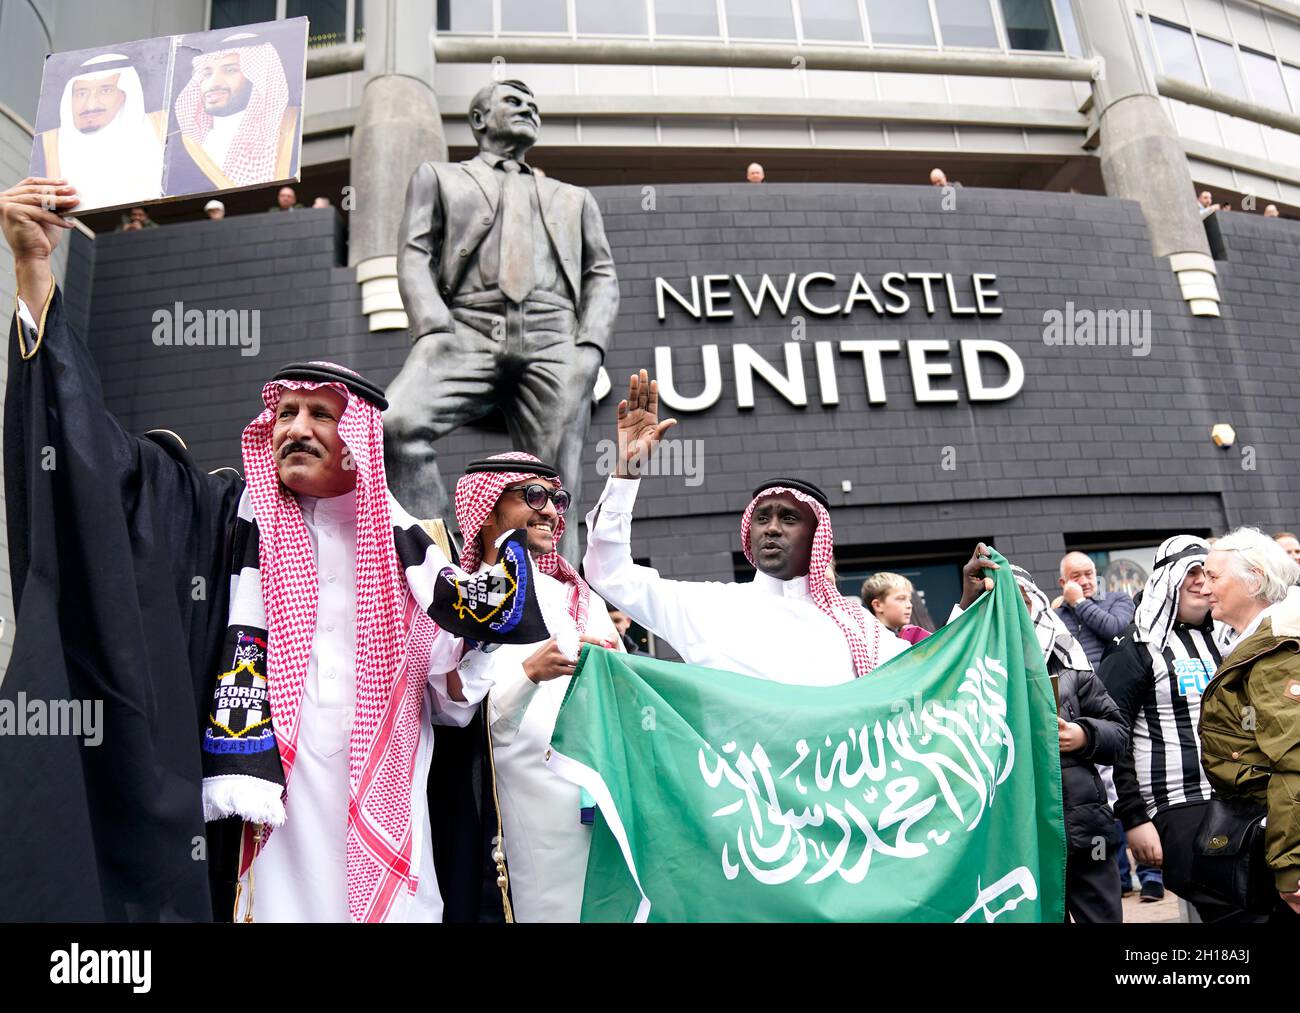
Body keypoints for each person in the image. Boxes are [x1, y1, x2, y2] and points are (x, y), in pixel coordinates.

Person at [0, 177, 549, 923]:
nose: (295, 426)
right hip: (258, 830)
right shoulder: (225, 521)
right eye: (285, 412)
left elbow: (452, 710)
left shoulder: (417, 553)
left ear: (358, 438)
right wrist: (35, 275)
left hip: (387, 829)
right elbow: (97, 467)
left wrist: (480, 645)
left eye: (320, 415)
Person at [386, 79, 619, 560]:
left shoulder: (574, 198)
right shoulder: (439, 176)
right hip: (468, 327)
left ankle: (554, 610)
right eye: (514, 102)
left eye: (534, 104)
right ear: (478, 120)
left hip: (554, 337)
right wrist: (433, 328)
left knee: (550, 484)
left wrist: (589, 350)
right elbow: (413, 254)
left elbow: (603, 276)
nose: (528, 109)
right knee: (393, 425)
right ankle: (441, 565)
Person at [583, 370, 908, 684]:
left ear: (817, 538)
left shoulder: (860, 627)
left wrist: (962, 610)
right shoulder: (710, 607)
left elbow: (927, 677)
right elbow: (610, 574)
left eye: (789, 519)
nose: (772, 529)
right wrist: (627, 471)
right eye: (762, 518)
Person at [450, 453, 621, 922]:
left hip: (600, 804)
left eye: (556, 498)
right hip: (520, 813)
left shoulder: (580, 598)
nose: (550, 510)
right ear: (486, 510)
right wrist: (531, 672)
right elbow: (465, 722)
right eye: (533, 496)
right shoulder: (459, 599)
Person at [1099, 536, 1258, 921]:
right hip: (1178, 802)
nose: (1204, 582)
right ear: (1167, 582)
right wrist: (1134, 819)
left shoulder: (1230, 639)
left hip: (1241, 796)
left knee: (1260, 905)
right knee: (1229, 909)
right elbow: (1111, 735)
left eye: (1211, 573)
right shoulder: (1136, 645)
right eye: (1192, 573)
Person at [1200, 527, 1300, 921]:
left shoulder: (1275, 648)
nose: (1204, 587)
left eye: (1214, 576)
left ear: (1254, 578)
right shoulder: (1256, 641)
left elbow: (1293, 759)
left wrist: (1292, 868)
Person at [1018, 565, 1127, 923]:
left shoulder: (1072, 666)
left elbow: (1118, 734)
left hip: (1085, 835)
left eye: (1022, 602)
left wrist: (1083, 735)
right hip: (1022, 844)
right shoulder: (977, 677)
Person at [31, 52, 164, 210]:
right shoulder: (48, 143)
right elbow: (49, 210)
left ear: (124, 94)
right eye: (82, 93)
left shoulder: (156, 132)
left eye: (105, 90)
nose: (91, 105)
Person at [170, 35, 300, 191]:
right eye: (206, 73)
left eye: (230, 70)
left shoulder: (289, 132)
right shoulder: (188, 145)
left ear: (257, 76)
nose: (214, 83)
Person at [1055, 551, 1135, 668]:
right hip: (1079, 684)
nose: (1084, 582)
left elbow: (1117, 630)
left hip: (1114, 679)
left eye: (1089, 574)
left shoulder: (1118, 599)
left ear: (1095, 574)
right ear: (1063, 583)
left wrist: (1079, 602)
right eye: (1076, 577)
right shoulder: (1056, 615)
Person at [860, 571, 930, 644]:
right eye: (901, 598)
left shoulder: (906, 641)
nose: (909, 605)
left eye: (909, 599)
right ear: (878, 605)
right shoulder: (870, 643)